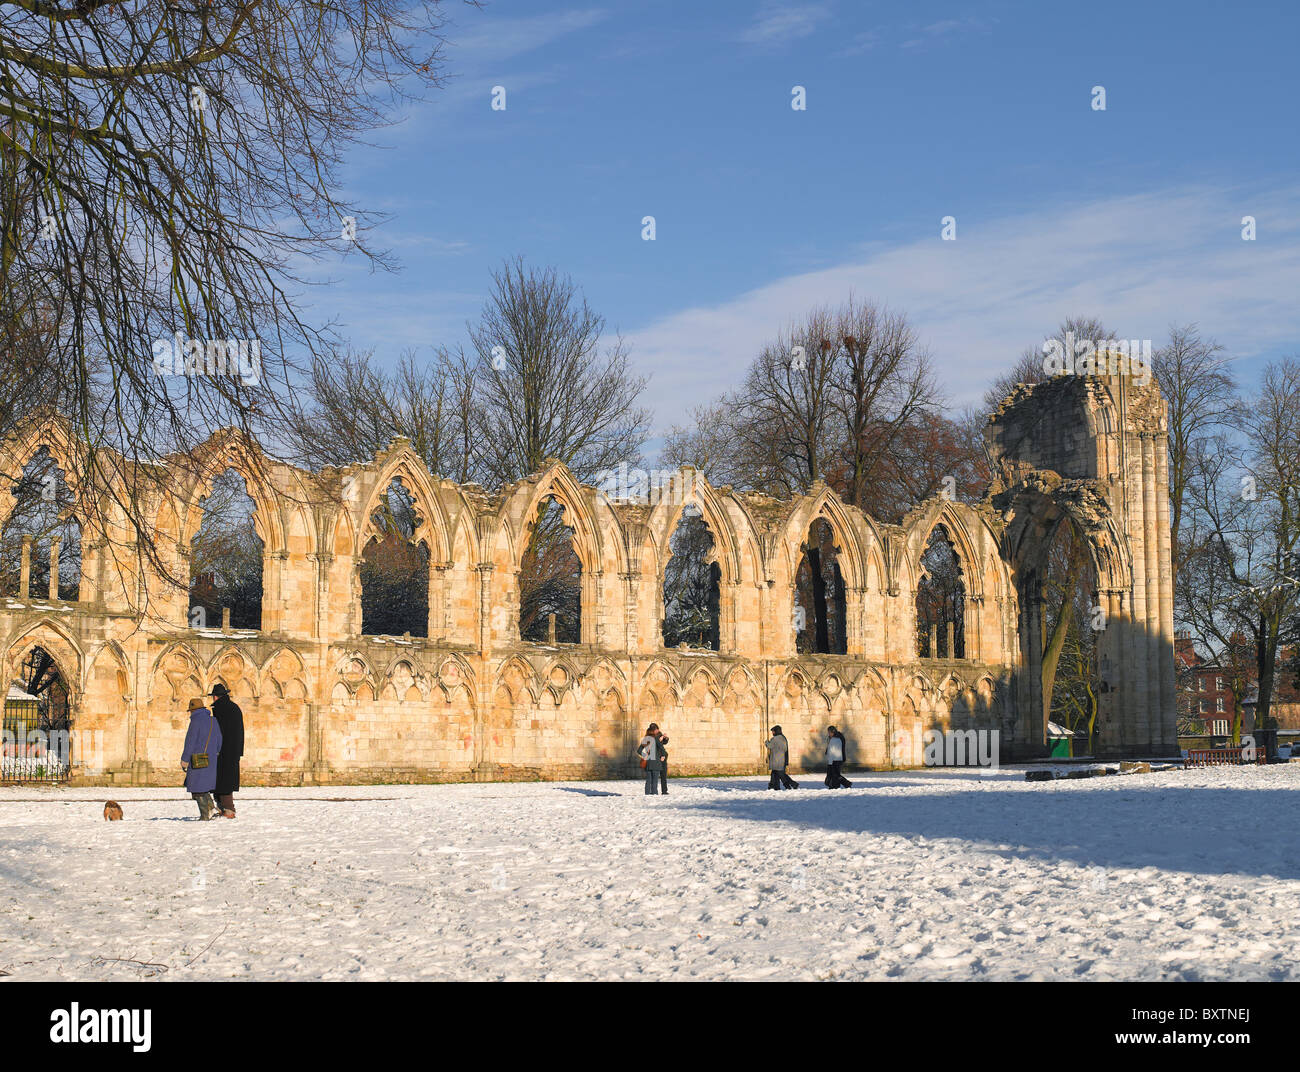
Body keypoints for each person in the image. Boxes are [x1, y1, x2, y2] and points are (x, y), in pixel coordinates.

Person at [181, 697, 223, 820]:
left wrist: (185, 760)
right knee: (203, 786)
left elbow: (190, 742)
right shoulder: (213, 721)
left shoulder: (195, 722)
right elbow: (219, 741)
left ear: (193, 711)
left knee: (196, 787)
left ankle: (206, 813)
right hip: (211, 759)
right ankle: (212, 808)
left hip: (197, 759)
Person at [209, 683, 244, 819]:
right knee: (226, 780)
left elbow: (218, 732)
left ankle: (228, 809)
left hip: (222, 751)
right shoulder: (234, 708)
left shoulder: (220, 709)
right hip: (233, 751)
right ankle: (225, 808)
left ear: (216, 697)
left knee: (223, 781)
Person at [766, 725, 798, 790]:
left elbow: (769, 746)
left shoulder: (774, 739)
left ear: (775, 731)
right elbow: (785, 749)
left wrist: (766, 742)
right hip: (782, 759)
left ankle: (792, 784)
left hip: (776, 760)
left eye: (773, 731)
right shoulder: (783, 738)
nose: (772, 733)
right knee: (774, 774)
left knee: (781, 774)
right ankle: (774, 786)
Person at [638, 723, 665, 795]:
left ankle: (647, 794)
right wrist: (663, 756)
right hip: (656, 762)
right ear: (654, 730)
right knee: (655, 781)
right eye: (656, 729)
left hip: (648, 762)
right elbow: (662, 748)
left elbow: (639, 750)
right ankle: (654, 794)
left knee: (648, 780)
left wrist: (645, 755)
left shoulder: (646, 738)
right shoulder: (656, 738)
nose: (657, 731)